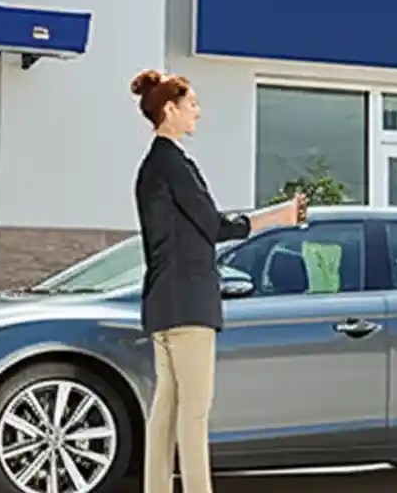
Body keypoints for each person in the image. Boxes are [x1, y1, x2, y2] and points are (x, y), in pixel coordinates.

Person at [130, 69, 303, 493]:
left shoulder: (151, 166)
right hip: (189, 303)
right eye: (192, 105)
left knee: (166, 407)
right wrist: (276, 216)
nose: (198, 113)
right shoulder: (173, 163)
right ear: (169, 109)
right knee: (194, 410)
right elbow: (212, 225)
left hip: (162, 301)